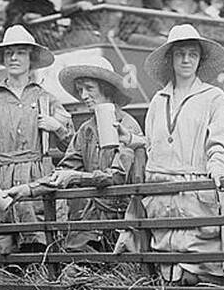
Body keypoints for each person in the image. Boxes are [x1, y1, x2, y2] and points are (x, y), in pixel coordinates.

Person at [120, 24, 224, 284]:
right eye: (180, 53)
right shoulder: (158, 100)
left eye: (192, 54)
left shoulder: (213, 98)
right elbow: (154, 144)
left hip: (195, 195)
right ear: (170, 58)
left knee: (196, 272)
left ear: (199, 60)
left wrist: (217, 168)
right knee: (164, 269)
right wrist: (133, 140)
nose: (185, 59)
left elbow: (220, 142)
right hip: (161, 196)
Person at [8, 56, 142, 251]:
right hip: (91, 221)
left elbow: (116, 177)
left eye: (89, 88)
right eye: (80, 90)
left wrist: (76, 176)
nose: (83, 95)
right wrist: (28, 189)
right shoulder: (86, 130)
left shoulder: (128, 127)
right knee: (71, 262)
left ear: (106, 89)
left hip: (123, 220)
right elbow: (64, 169)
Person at [0, 25, 74, 254]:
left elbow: (72, 147)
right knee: (3, 250)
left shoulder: (46, 99)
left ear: (31, 59)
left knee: (38, 246)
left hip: (35, 183)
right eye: (9, 53)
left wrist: (57, 128)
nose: (14, 57)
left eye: (21, 52)